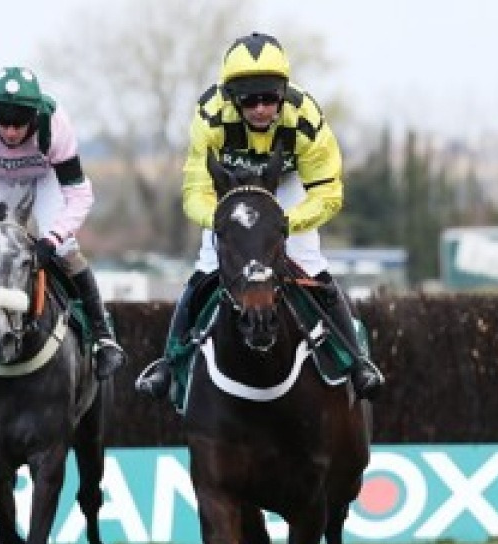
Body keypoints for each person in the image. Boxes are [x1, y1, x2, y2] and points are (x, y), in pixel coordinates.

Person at [134, 32, 384, 401]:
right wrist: (225, 222)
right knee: (206, 267)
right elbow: (196, 193)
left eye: (270, 98)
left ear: (283, 93)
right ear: (232, 98)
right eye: (250, 100)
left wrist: (284, 224)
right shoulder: (210, 115)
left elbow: (328, 194)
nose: (262, 109)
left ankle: (356, 362)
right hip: (231, 191)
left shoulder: (305, 117)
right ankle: (170, 365)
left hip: (287, 187)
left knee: (310, 263)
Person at [0, 66, 126, 379]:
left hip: (43, 179)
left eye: (19, 124)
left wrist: (53, 238)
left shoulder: (56, 124)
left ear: (34, 117)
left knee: (67, 251)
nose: (11, 133)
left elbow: (80, 195)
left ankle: (103, 338)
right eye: (3, 123)